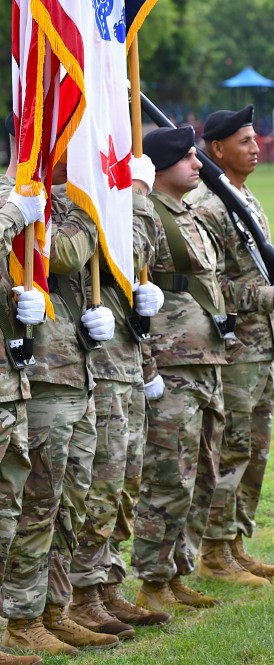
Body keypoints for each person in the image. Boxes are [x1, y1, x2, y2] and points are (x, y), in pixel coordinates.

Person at [1, 158, 119, 658]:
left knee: (70, 503)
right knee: (36, 506)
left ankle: (54, 610)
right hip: (41, 374)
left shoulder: (60, 201)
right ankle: (22, 618)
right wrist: (94, 206)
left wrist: (98, 312)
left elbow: (75, 275)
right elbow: (65, 254)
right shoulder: (13, 199)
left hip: (75, 367)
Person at [185, 106, 274, 587]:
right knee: (230, 451)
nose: (256, 148)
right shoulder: (209, 206)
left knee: (255, 449)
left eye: (255, 139)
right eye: (245, 141)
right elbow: (208, 287)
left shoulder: (243, 198)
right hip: (232, 349)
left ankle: (236, 544)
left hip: (260, 349)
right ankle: (214, 552)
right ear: (217, 149)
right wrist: (268, 297)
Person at [66, 154, 172, 634]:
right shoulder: (80, 198)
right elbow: (120, 249)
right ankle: (82, 593)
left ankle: (107, 584)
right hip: (98, 363)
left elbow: (142, 254)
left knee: (125, 481)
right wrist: (139, 195)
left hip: (125, 358)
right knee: (101, 484)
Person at [130, 126, 227, 613]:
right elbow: (133, 292)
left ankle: (177, 571)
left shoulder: (191, 214)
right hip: (171, 362)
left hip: (205, 358)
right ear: (160, 167)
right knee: (168, 475)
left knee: (203, 472)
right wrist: (147, 366)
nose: (197, 163)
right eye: (187, 157)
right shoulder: (147, 215)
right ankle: (152, 579)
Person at [0, 117, 50, 665]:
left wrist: (17, 301)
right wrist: (16, 211)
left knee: (7, 510)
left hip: (9, 382)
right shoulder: (8, 205)